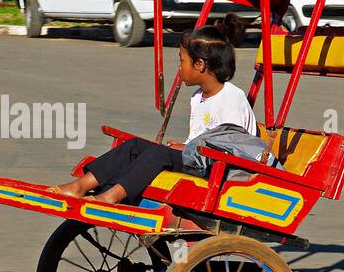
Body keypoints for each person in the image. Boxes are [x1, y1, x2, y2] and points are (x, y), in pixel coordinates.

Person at [49, 16, 254, 206]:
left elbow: (232, 148)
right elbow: (199, 139)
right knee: (135, 146)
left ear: (199, 65)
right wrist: (186, 147)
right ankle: (79, 187)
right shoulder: (198, 97)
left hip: (221, 172)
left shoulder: (231, 97)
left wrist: (186, 148)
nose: (179, 68)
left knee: (157, 154)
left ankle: (111, 196)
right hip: (199, 161)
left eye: (182, 61)